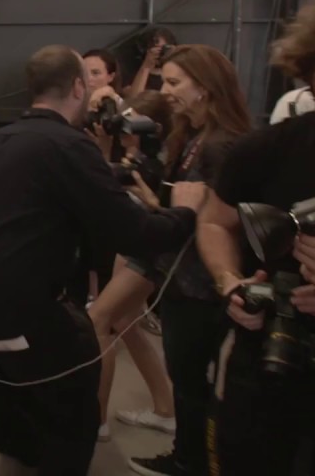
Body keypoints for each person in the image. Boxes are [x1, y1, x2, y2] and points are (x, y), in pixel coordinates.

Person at [0, 45, 205, 476]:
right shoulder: (67, 145)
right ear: (79, 87)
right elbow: (131, 232)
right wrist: (185, 214)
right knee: (77, 420)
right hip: (17, 311)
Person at [196, 0, 315, 476]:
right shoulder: (266, 150)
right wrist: (230, 281)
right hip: (271, 353)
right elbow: (215, 222)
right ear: (310, 78)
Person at [126, 44, 252, 476]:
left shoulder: (222, 146)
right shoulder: (192, 137)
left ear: (206, 87)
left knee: (196, 382)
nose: (166, 91)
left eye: (175, 82)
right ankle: (187, 454)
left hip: (203, 285)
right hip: (183, 277)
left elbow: (226, 220)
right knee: (186, 377)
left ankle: (193, 460)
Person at [86, 91, 176, 442]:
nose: (125, 129)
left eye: (132, 122)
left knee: (100, 321)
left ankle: (96, 421)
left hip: (148, 252)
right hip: (134, 246)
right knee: (127, 323)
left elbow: (108, 192)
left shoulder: (155, 164)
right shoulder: (136, 157)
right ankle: (165, 408)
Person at [126, 27, 178, 97]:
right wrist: (146, 66)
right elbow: (134, 98)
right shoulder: (132, 72)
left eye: (164, 48)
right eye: (157, 48)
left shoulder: (176, 72)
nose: (160, 53)